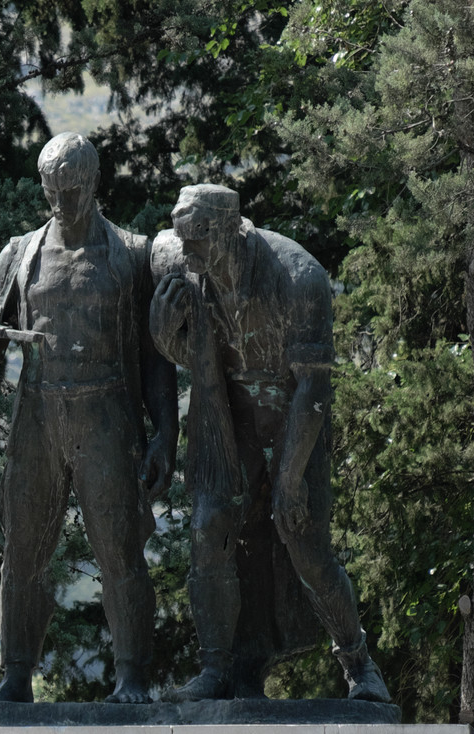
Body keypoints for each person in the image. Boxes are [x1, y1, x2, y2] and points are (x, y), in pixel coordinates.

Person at [0, 133, 178, 703]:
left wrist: (166, 432)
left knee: (120, 551)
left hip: (107, 414)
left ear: (92, 183)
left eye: (70, 190)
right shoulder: (21, 252)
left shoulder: (131, 252)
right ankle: (16, 676)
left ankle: (132, 679)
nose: (61, 202)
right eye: (51, 190)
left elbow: (155, 358)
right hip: (39, 414)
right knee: (22, 549)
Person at [149, 183, 390, 702]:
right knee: (209, 528)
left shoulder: (297, 276)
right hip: (227, 419)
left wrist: (289, 479)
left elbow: (314, 385)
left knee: (303, 543)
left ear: (227, 231)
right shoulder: (184, 268)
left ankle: (358, 664)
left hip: (293, 422)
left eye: (196, 243)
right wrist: (166, 340)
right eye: (181, 243)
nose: (186, 255)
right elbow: (191, 353)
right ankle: (216, 671)